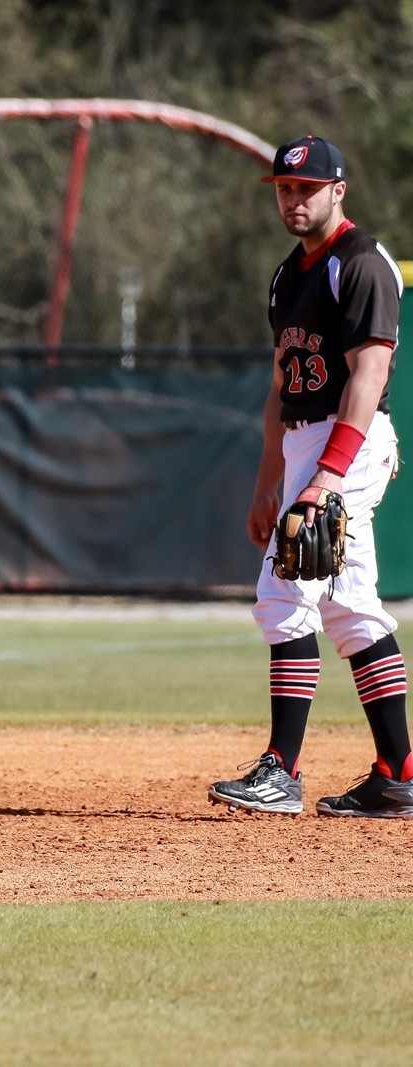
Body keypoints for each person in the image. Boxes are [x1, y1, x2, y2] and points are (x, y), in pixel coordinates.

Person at [209, 135, 410, 817]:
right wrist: (272, 480)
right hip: (304, 446)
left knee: (282, 591)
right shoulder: (285, 276)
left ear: (338, 190)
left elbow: (372, 375)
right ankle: (399, 772)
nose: (293, 200)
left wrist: (324, 478)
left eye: (307, 188)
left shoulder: (360, 263)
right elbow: (278, 388)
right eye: (284, 189)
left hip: (345, 445)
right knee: (349, 610)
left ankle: (281, 771)